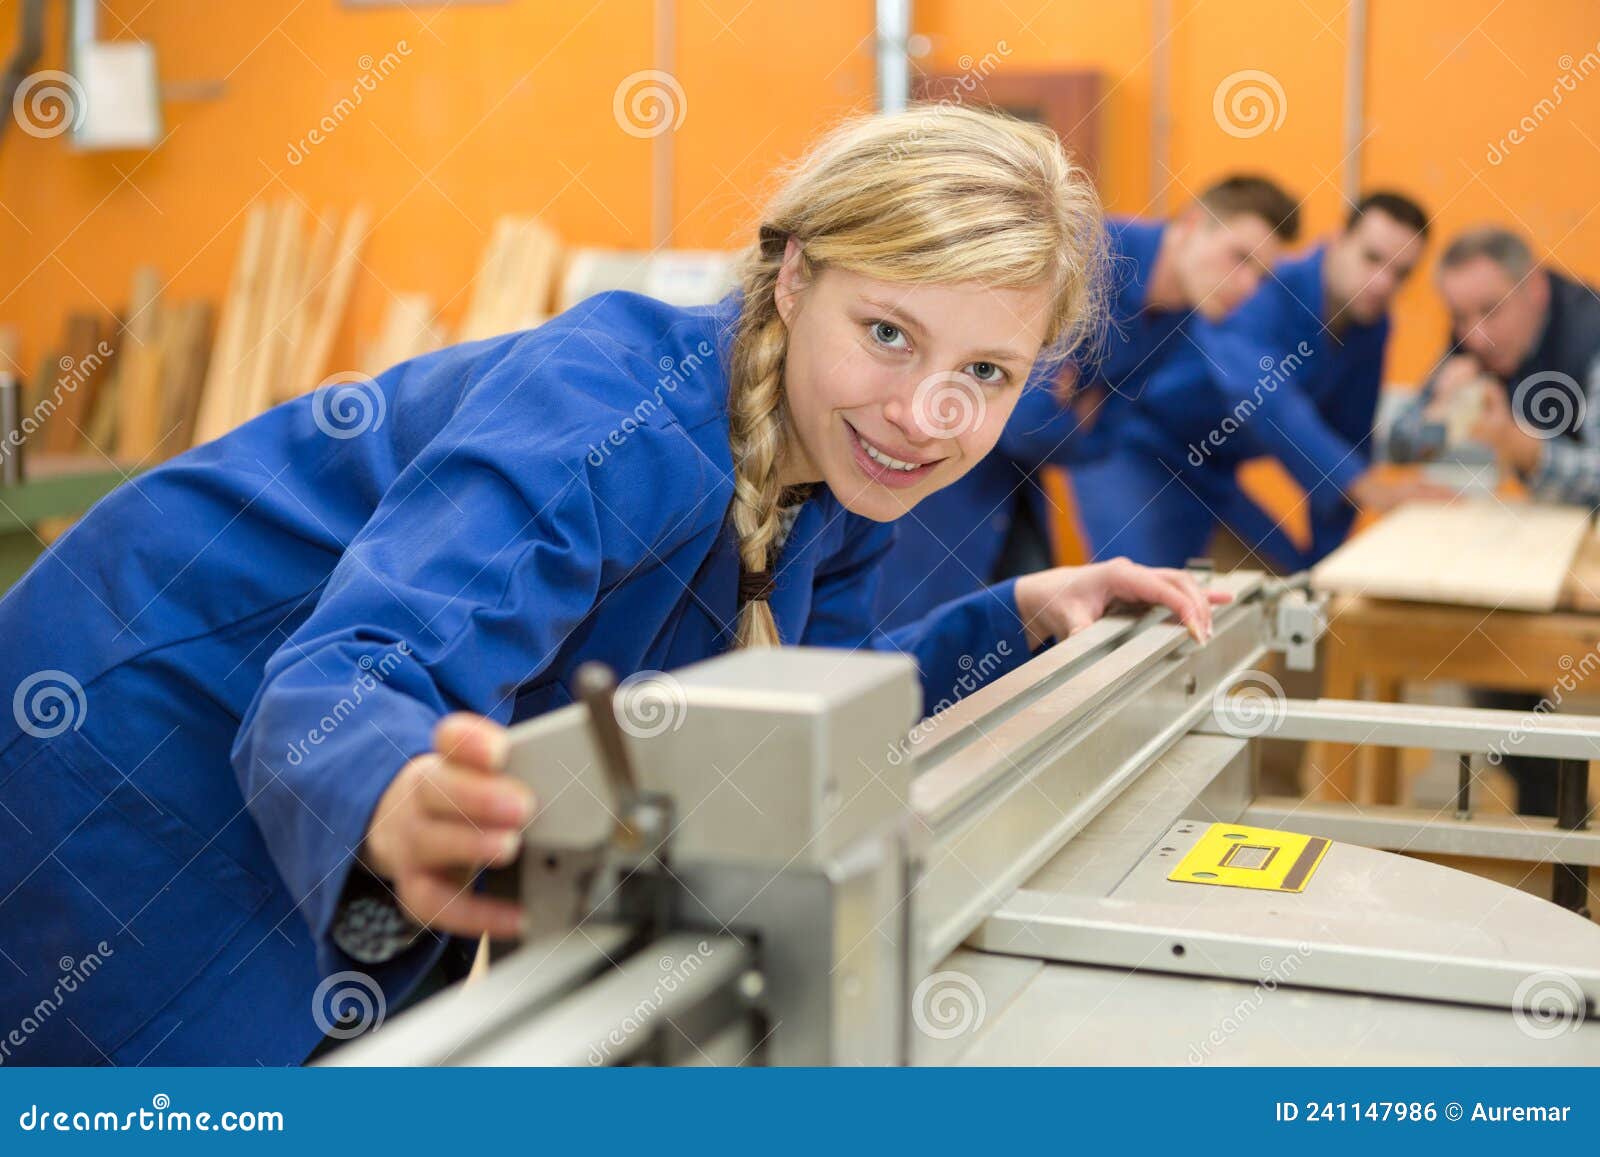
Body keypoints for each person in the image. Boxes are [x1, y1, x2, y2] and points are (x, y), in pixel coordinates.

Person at [0, 106, 1225, 1066]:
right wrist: (391, 779)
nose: (925, 413)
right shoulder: (613, 415)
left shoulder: (841, 476)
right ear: (793, 279)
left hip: (333, 755)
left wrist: (1017, 620)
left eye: (989, 370)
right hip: (144, 716)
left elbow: (810, 725)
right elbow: (345, 676)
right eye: (889, 333)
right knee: (183, 1069)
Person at [874, 174, 1300, 628]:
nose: (1248, 286)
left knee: (1012, 646)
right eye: (1240, 258)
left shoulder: (1181, 323)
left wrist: (1070, 408)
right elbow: (1026, 422)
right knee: (908, 646)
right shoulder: (1088, 255)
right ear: (1193, 225)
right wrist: (1075, 413)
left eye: (1263, 274)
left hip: (1013, 488)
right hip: (938, 470)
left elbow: (1103, 438)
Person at [1387, 226, 1600, 816]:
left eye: (1489, 311)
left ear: (1532, 289)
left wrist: (1521, 446)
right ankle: (1551, 808)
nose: (1473, 334)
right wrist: (1437, 414)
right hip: (1547, 547)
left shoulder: (1592, 331)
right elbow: (1401, 443)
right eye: (1458, 316)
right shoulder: (1472, 342)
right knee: (1490, 646)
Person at [1190, 191, 1448, 566]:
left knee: (1295, 583)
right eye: (1372, 258)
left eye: (1400, 273)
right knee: (1146, 601)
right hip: (1142, 450)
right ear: (1339, 240)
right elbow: (1264, 396)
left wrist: (1328, 569)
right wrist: (1364, 484)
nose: (1381, 283)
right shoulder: (1270, 285)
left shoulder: (1371, 326)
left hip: (1213, 475)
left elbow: (1350, 434)